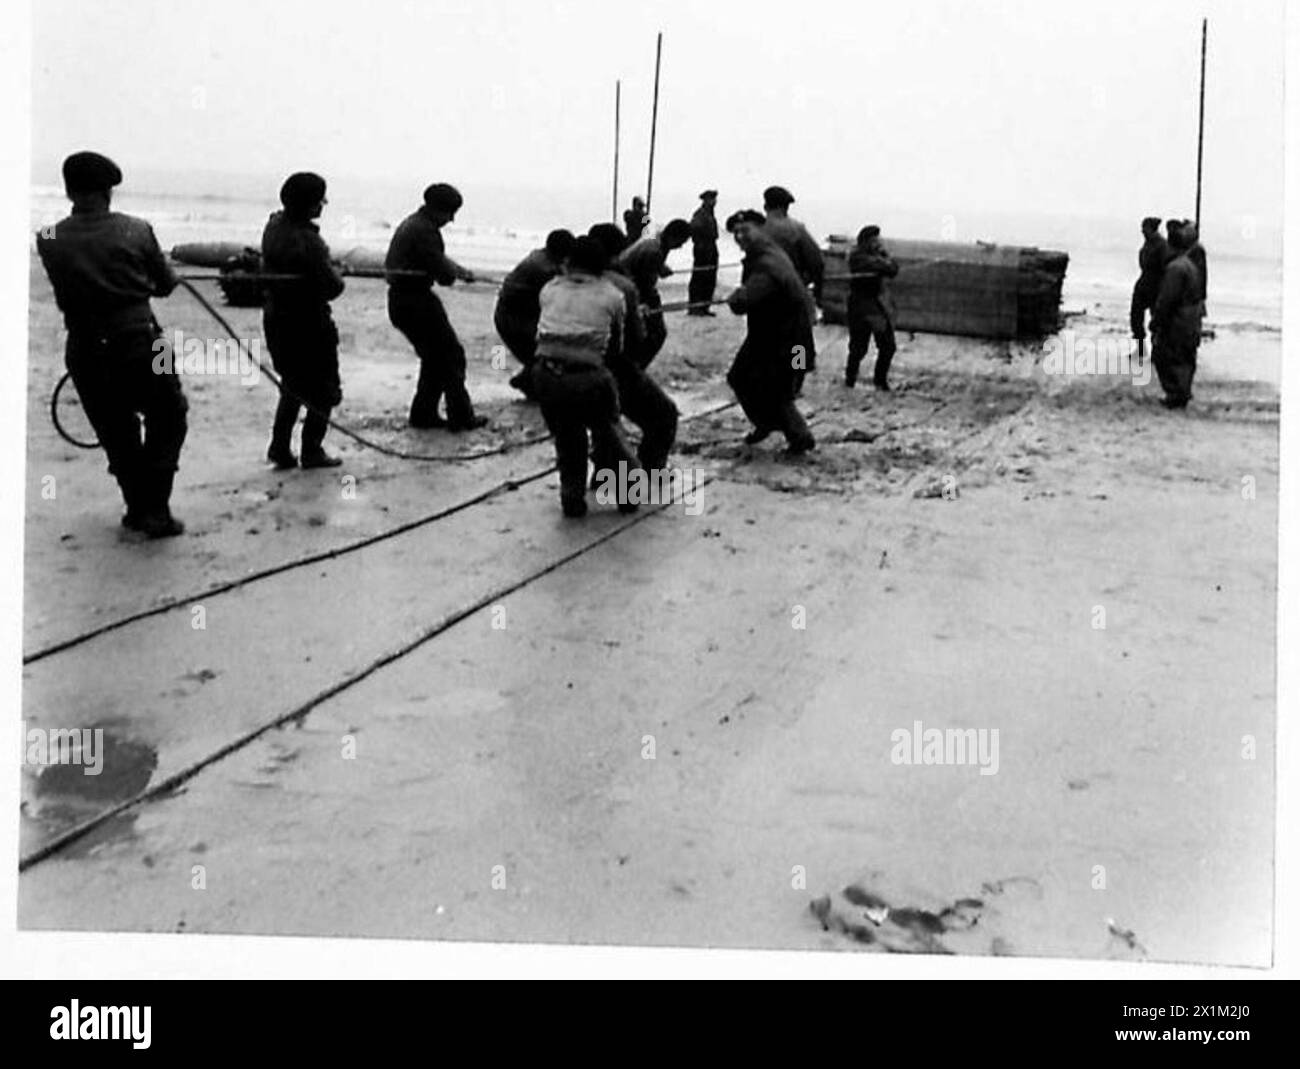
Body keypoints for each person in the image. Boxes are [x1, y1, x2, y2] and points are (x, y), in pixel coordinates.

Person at [36, 151, 188, 537]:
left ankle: (139, 508)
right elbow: (167, 284)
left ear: (69, 190)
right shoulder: (137, 229)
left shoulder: (48, 237)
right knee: (169, 415)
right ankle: (156, 508)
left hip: (85, 348)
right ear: (109, 191)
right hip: (142, 341)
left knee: (115, 430)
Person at [532, 236, 641, 518]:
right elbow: (618, 346)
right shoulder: (612, 295)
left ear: (568, 262)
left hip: (546, 373)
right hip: (589, 375)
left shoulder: (549, 289)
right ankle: (627, 496)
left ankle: (572, 499)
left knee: (567, 440)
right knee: (609, 435)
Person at [385, 182, 488, 430]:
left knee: (433, 358)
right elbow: (443, 275)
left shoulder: (415, 224)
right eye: (450, 213)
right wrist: (455, 274)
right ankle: (461, 417)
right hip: (414, 300)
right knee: (451, 356)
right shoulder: (425, 231)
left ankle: (423, 414)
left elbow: (438, 261)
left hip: (402, 299)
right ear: (436, 209)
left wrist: (462, 271)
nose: (451, 220)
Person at [261, 171, 346, 469]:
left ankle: (279, 448)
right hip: (309, 325)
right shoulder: (309, 241)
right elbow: (333, 288)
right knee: (324, 390)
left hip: (276, 320)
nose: (321, 207)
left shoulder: (273, 226)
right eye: (318, 202)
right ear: (310, 205)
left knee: (293, 386)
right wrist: (337, 271)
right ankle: (312, 451)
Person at [588, 223, 679, 474]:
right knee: (664, 416)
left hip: (557, 371)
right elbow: (634, 340)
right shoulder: (622, 286)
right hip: (606, 369)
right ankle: (648, 472)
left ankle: (600, 474)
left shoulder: (557, 282)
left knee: (604, 422)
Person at [723, 209, 816, 454]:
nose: (741, 236)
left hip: (784, 338)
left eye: (746, 230)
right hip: (789, 334)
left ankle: (799, 438)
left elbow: (747, 298)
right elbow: (815, 263)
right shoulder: (769, 252)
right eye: (736, 233)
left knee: (777, 388)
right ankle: (768, 424)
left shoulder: (766, 261)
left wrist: (736, 297)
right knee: (754, 380)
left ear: (760, 229)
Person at [493, 228, 575, 397]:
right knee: (548, 350)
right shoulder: (545, 269)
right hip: (514, 319)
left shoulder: (539, 256)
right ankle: (527, 380)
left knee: (540, 352)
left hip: (511, 313)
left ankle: (527, 379)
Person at [761, 185, 823, 390]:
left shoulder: (759, 229)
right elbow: (817, 262)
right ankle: (795, 381)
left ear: (766, 205)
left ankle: (768, 379)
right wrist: (816, 287)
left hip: (763, 295)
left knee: (764, 338)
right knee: (799, 341)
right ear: (786, 206)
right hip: (792, 294)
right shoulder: (796, 229)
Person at [615, 218, 691, 367]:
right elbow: (645, 284)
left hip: (624, 283)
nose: (681, 246)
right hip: (630, 288)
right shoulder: (654, 250)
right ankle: (636, 367)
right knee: (656, 333)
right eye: (681, 241)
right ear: (673, 236)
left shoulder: (655, 238)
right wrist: (645, 304)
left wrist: (660, 267)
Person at [1150, 224, 1204, 409]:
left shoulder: (1175, 268)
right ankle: (1182, 392)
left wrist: (1156, 321)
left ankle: (1175, 393)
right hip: (1191, 318)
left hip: (1178, 320)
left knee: (1165, 355)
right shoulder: (1191, 265)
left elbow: (1167, 299)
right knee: (1186, 357)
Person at [845, 225, 900, 389]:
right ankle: (850, 379)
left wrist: (883, 254)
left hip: (874, 304)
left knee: (887, 345)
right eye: (874, 239)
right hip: (861, 304)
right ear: (866, 241)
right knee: (859, 347)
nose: (878, 242)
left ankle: (880, 380)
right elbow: (887, 267)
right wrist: (884, 258)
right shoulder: (857, 256)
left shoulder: (874, 254)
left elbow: (893, 269)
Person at [1129, 216, 1169, 359]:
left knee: (1156, 320)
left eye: (1145, 228)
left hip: (1156, 285)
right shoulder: (1147, 244)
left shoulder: (1162, 246)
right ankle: (1140, 349)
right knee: (1135, 317)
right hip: (1144, 282)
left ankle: (1156, 352)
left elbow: (1165, 268)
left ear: (1152, 229)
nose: (1142, 231)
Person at [688, 190, 720, 315]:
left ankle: (704, 306)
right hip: (703, 248)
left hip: (710, 247)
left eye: (714, 199)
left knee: (710, 278)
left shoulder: (709, 214)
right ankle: (696, 306)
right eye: (711, 199)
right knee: (700, 277)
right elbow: (694, 228)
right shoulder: (700, 214)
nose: (714, 202)